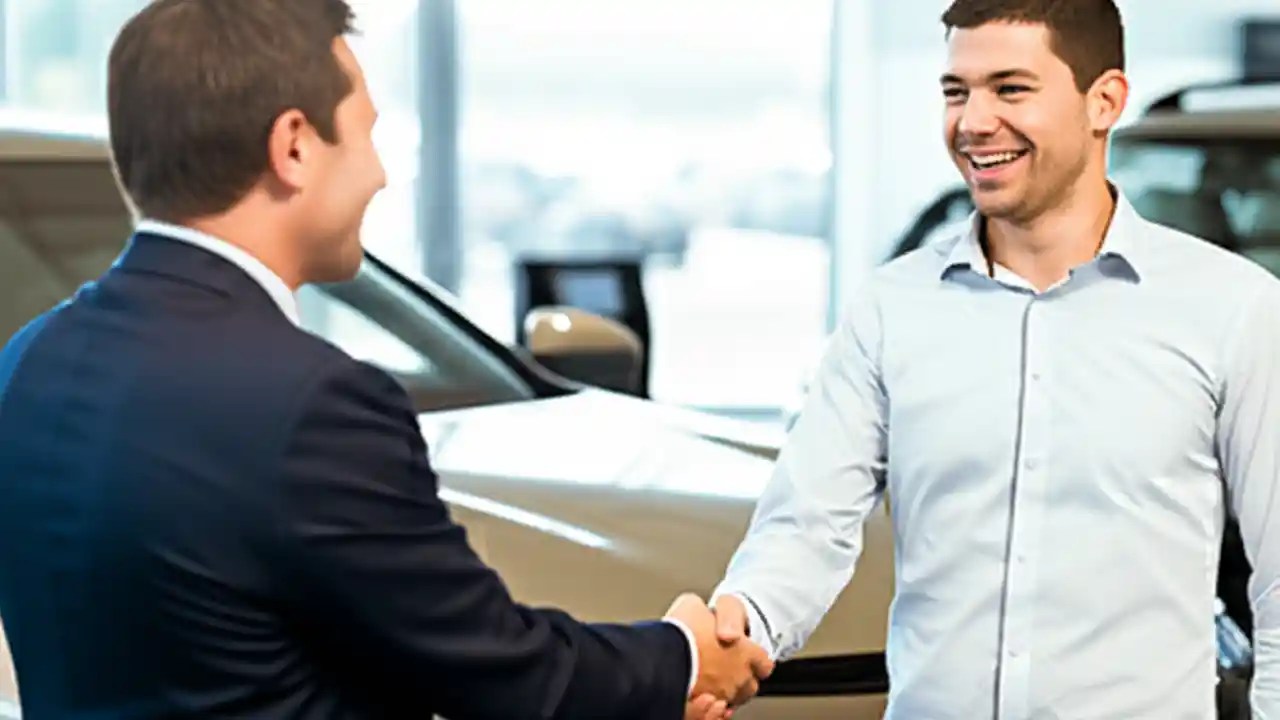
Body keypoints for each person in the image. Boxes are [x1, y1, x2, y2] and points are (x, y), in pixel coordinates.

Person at [0, 1, 772, 718]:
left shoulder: (29, 364)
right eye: (366, 132)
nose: (379, 172)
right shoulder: (311, 405)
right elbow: (500, 670)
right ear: (294, 145)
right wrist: (682, 658)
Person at [707, 0, 1280, 717]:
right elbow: (804, 528)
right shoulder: (891, 307)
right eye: (957, 91)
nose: (973, 121)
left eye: (1010, 89)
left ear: (1104, 101)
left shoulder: (1235, 309)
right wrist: (733, 631)